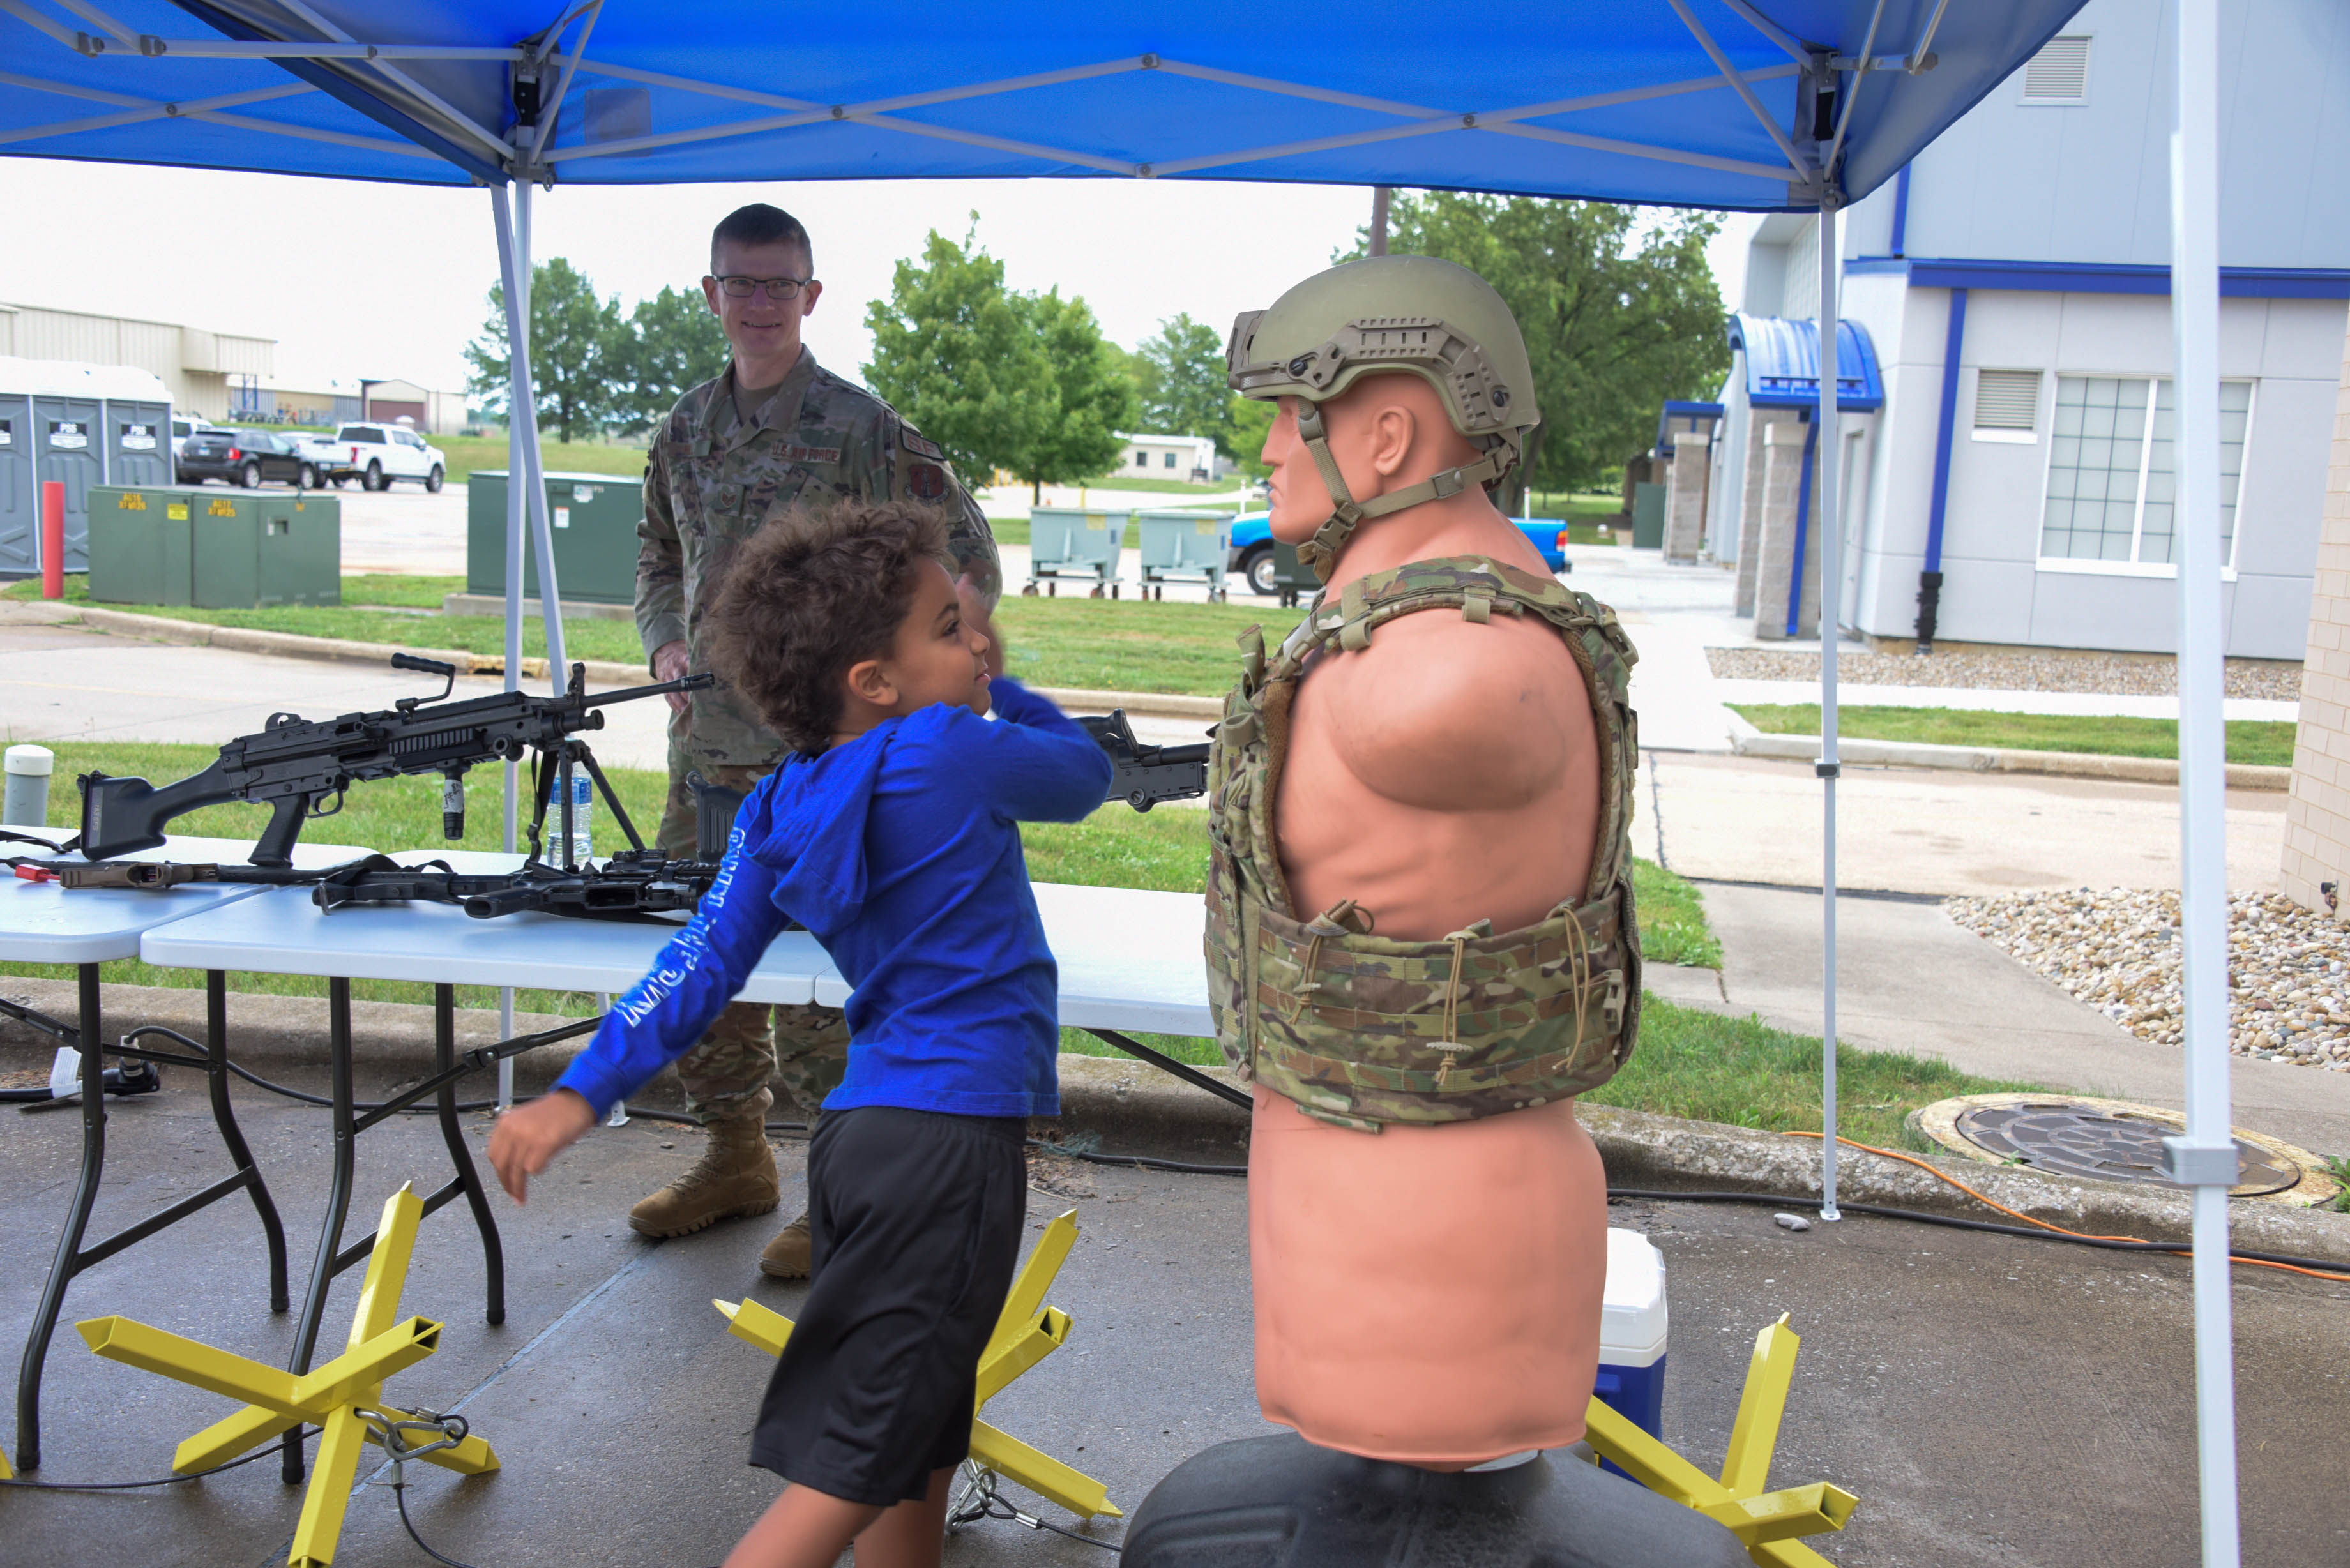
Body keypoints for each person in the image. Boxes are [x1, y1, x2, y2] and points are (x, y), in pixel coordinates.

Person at [490, 499, 1112, 1568]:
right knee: (849, 1471)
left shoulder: (779, 804)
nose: (976, 645)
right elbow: (1084, 775)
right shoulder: (953, 748)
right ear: (875, 679)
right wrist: (1002, 689)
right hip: (951, 1145)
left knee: (917, 1435)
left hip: (866, 1140)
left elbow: (696, 967)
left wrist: (577, 1091)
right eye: (950, 628)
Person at [633, 201, 999, 1278]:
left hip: (827, 763)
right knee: (707, 972)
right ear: (711, 295)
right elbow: (658, 555)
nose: (758, 304)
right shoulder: (686, 430)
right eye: (739, 284)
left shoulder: (859, 431)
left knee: (830, 986)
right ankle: (735, 1159)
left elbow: (962, 553)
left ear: (810, 297)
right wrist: (662, 645)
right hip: (706, 756)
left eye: (777, 286)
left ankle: (846, 1197)